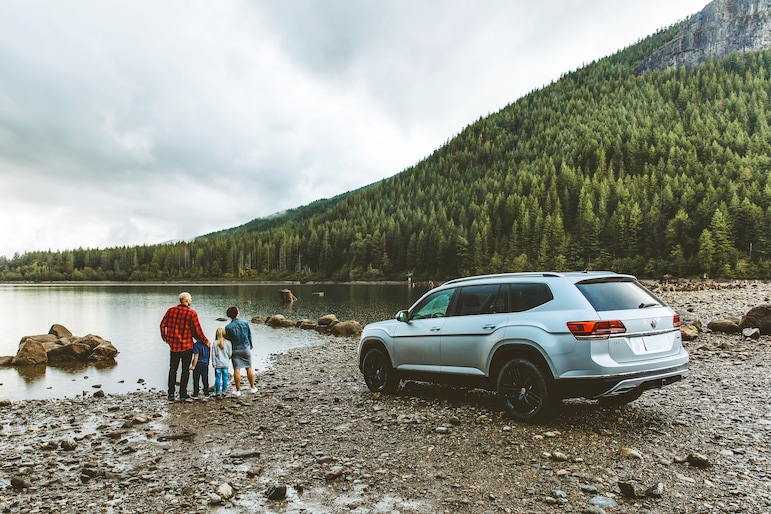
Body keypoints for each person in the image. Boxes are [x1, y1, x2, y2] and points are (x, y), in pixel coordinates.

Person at [160, 292, 209, 402]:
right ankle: (183, 393)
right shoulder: (192, 314)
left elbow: (162, 325)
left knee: (173, 369)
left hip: (174, 346)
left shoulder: (171, 310)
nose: (190, 301)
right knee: (185, 370)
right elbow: (198, 331)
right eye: (190, 299)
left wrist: (166, 338)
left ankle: (171, 394)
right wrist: (205, 341)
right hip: (187, 346)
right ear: (187, 300)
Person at [225, 306, 256, 396]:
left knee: (236, 369)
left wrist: (228, 352)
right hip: (245, 347)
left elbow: (228, 341)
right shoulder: (245, 322)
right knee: (249, 367)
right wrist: (251, 345)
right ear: (237, 313)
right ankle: (252, 387)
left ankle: (238, 391)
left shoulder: (228, 327)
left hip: (235, 349)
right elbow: (249, 335)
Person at [211, 327, 232, 398]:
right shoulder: (228, 343)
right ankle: (224, 392)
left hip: (218, 364)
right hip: (225, 363)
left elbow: (213, 355)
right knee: (225, 378)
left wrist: (213, 363)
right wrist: (227, 359)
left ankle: (217, 392)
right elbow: (230, 354)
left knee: (217, 378)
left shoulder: (214, 343)